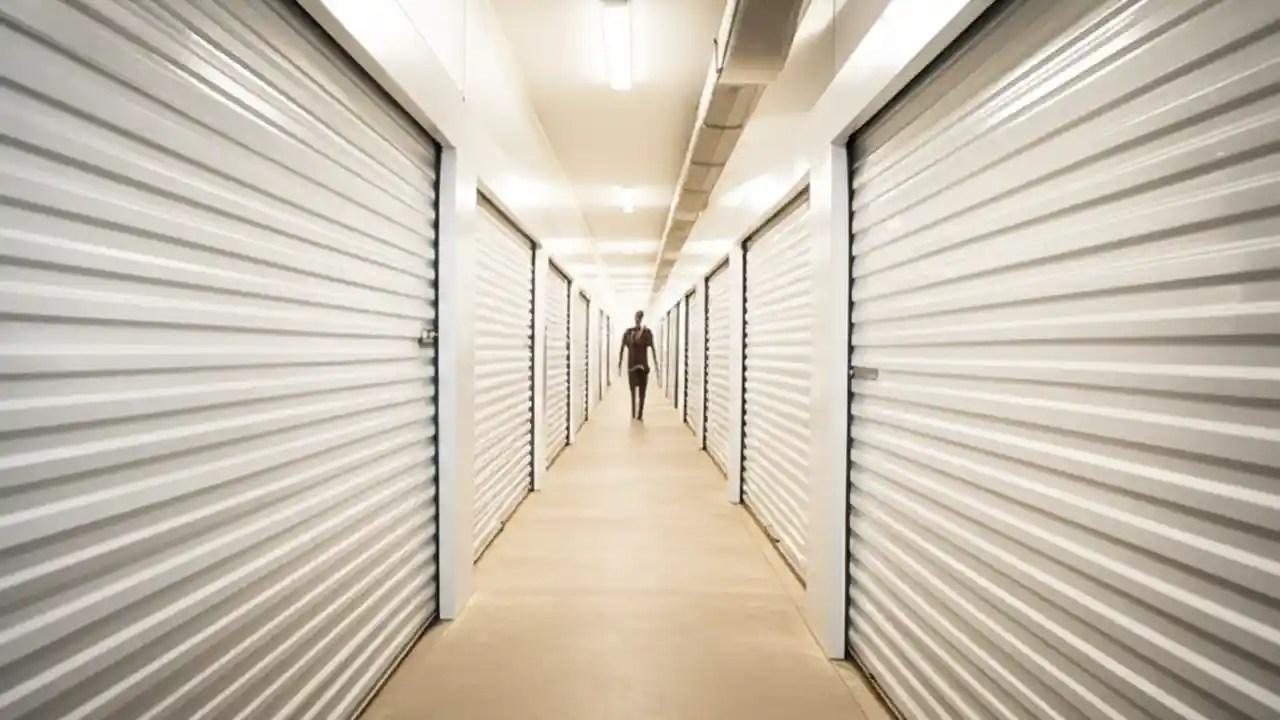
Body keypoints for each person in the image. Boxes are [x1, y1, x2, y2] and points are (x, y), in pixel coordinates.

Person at [618, 310, 659, 421]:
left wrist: (656, 364)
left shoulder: (645, 333)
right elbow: (622, 349)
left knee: (641, 392)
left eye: (639, 317)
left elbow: (653, 349)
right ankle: (635, 413)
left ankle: (639, 413)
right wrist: (619, 363)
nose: (638, 319)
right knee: (636, 392)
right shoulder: (629, 333)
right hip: (635, 367)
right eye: (637, 317)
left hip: (640, 367)